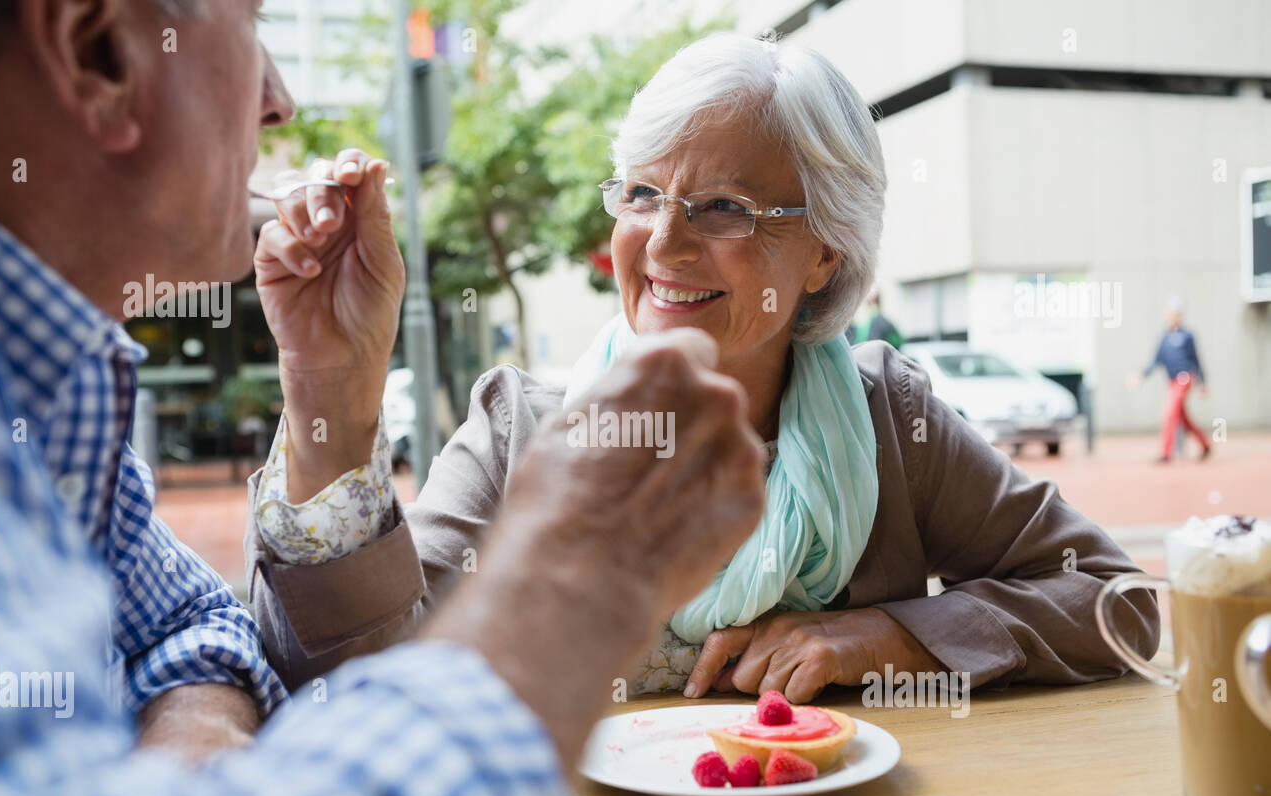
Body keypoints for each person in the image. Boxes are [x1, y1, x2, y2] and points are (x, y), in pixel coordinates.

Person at [0, 0, 765, 796]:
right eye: (254, 26)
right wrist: (569, 591)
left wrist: (185, 788)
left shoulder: (59, 387)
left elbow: (191, 626)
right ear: (99, 54)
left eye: (727, 206)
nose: (278, 101)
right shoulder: (524, 419)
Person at [248, 33, 1159, 703]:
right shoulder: (521, 427)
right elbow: (366, 689)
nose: (663, 244)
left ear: (825, 255)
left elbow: (1118, 600)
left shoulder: (892, 420)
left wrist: (887, 638)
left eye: (724, 208)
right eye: (642, 193)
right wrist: (332, 387)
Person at [1127, 295, 1211, 464]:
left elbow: (1196, 359)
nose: (1172, 315)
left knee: (1169, 413)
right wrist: (1140, 375)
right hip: (1172, 382)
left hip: (1185, 378)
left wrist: (1202, 382)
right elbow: (1156, 361)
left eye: (1175, 312)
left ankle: (1165, 453)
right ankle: (1205, 444)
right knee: (1182, 418)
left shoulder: (1187, 336)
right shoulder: (1164, 338)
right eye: (1170, 312)